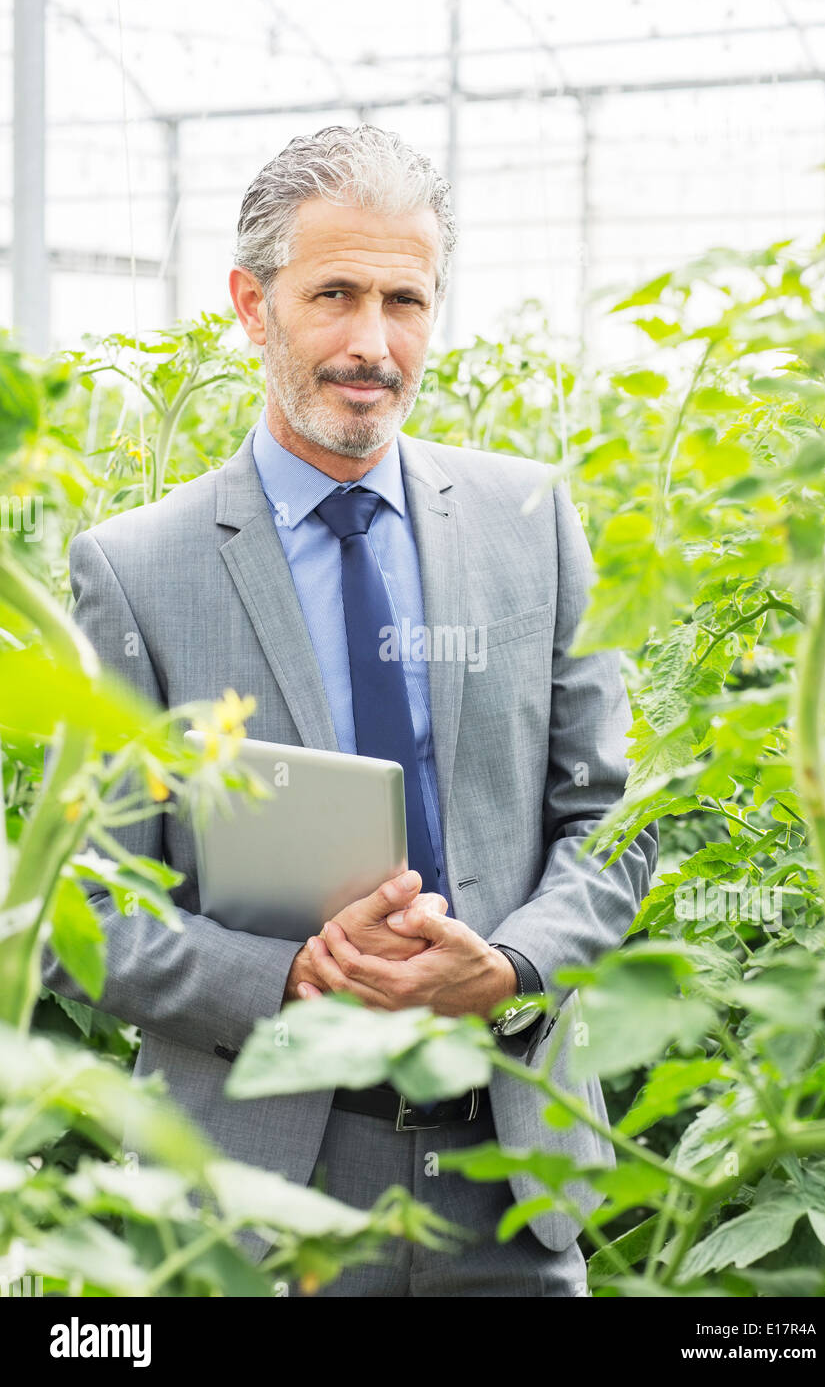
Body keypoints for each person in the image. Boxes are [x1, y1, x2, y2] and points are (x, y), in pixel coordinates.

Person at [42, 124, 658, 1297]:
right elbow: (86, 913)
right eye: (333, 294)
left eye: (404, 300)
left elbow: (613, 827)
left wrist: (512, 962)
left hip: (510, 1181)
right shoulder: (136, 569)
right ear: (250, 302)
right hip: (260, 1196)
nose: (372, 344)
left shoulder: (530, 523)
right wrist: (287, 977)